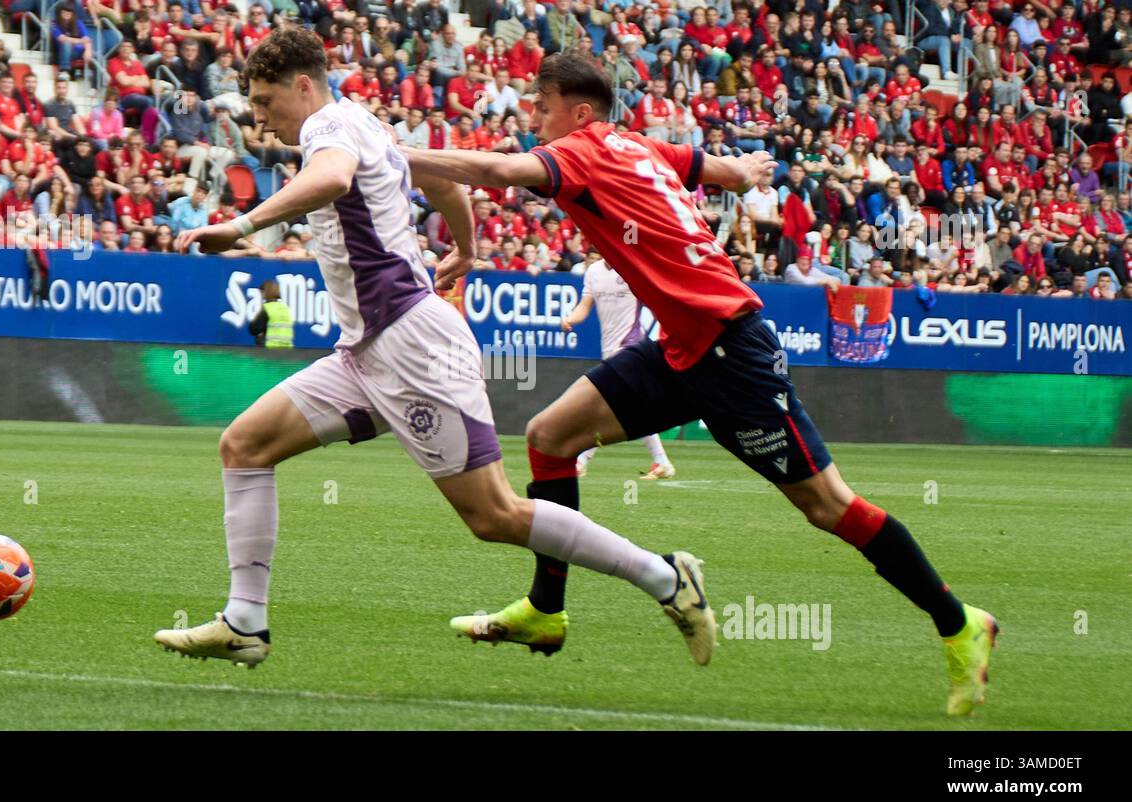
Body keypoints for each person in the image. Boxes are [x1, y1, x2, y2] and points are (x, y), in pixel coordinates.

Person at [399, 52, 997, 717]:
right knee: (550, 436)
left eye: (543, 106)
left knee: (828, 506)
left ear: (580, 112)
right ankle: (546, 609)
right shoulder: (634, 145)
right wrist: (745, 171)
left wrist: (391, 153)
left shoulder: (583, 152)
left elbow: (497, 171)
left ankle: (958, 622)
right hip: (683, 348)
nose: (533, 117)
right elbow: (716, 169)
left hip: (733, 353)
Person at [158, 30, 721, 670]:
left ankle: (666, 577)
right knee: (244, 446)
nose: (259, 117)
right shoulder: (365, 125)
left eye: (265, 100)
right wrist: (467, 248)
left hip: (412, 347)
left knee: (494, 515)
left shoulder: (327, 128)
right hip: (366, 351)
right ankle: (244, 623)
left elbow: (333, 177)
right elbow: (441, 182)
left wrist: (242, 224)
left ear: (304, 85)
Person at [560, 259, 674, 481]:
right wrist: (570, 319)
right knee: (628, 410)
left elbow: (654, 300)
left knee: (603, 404)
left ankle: (581, 461)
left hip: (630, 347)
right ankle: (661, 461)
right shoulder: (593, 271)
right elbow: (584, 306)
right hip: (609, 349)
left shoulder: (631, 268)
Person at [249, 279, 294, 348]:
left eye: (261, 293)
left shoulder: (267, 308)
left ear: (265, 292)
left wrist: (256, 316)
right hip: (287, 348)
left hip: (270, 348)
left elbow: (254, 330)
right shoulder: (285, 308)